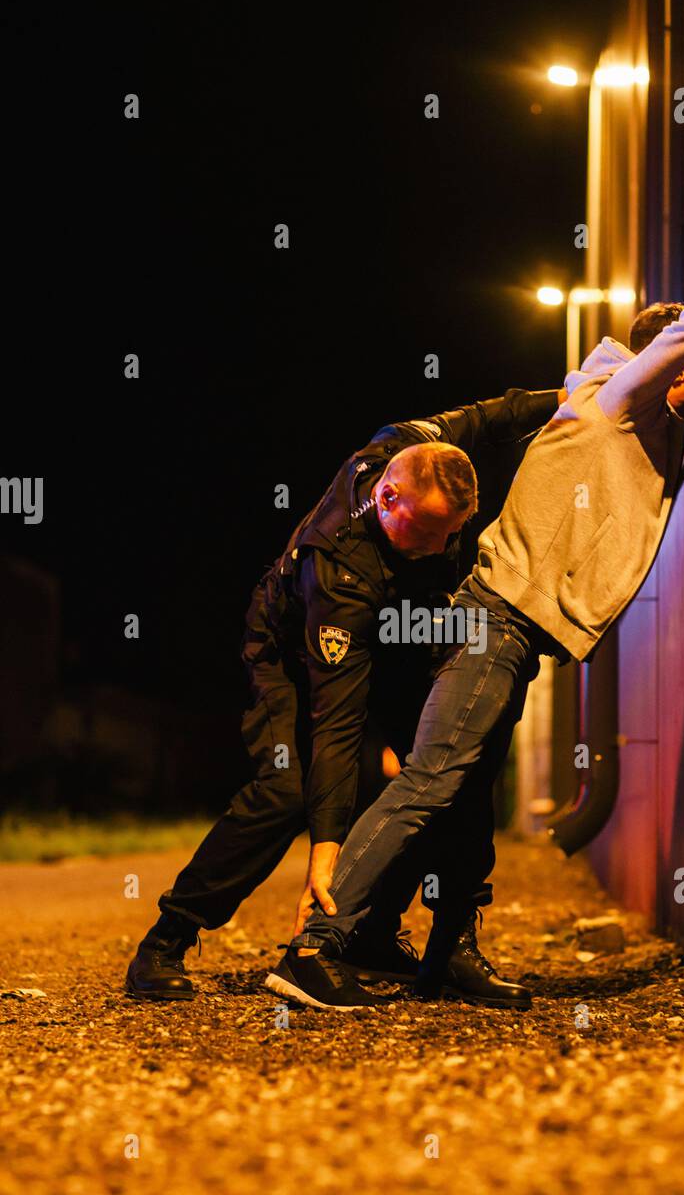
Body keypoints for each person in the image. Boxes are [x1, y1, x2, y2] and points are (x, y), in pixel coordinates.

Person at [266, 131, 684, 1009]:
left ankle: (447, 954)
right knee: (436, 777)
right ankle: (314, 947)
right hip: (500, 619)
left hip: (510, 623)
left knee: (466, 793)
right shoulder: (623, 406)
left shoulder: (611, 407)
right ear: (672, 362)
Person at [125, 385, 564, 1003]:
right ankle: (165, 942)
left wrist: (590, 388)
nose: (441, 548)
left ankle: (407, 939)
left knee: (448, 768)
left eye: (453, 532)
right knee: (286, 792)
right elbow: (338, 723)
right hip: (292, 651)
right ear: (387, 499)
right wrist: (325, 852)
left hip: (396, 636)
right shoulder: (340, 570)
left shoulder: (420, 446)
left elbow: (507, 411)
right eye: (430, 532)